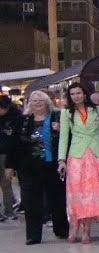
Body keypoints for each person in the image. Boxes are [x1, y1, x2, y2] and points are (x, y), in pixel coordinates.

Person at [57, 82, 99, 243]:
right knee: (76, 193)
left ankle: (87, 230)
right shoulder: (66, 113)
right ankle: (74, 225)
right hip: (76, 155)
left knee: (93, 193)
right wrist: (61, 160)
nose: (76, 97)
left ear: (85, 94)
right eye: (73, 94)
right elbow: (63, 138)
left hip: (97, 155)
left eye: (78, 93)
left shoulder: (98, 110)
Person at [12, 91, 68, 244]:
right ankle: (33, 235)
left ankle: (62, 230)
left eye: (40, 101)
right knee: (31, 203)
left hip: (53, 166)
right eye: (34, 101)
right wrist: (12, 166)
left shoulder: (57, 117)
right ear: (30, 104)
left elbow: (69, 138)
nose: (37, 103)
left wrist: (61, 129)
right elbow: (15, 145)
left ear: (47, 102)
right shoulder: (23, 121)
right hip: (29, 168)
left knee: (57, 200)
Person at [0, 94, 21, 221]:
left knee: (6, 183)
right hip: (5, 152)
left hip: (6, 154)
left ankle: (8, 210)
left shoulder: (15, 117)